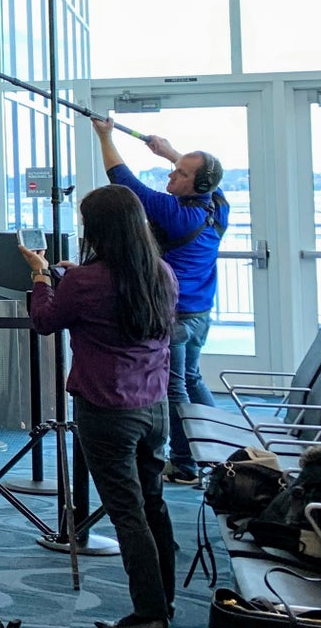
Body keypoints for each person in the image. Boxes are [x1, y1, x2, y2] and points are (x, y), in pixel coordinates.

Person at [23, 185, 180, 628]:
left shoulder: (87, 282)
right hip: (153, 406)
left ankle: (149, 613)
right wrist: (70, 277)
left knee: (126, 512)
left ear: (97, 229)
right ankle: (163, 599)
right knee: (152, 504)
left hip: (106, 409)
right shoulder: (161, 273)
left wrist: (40, 277)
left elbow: (45, 321)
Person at [94, 119, 230, 483]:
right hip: (200, 313)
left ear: (197, 184)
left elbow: (125, 183)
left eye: (180, 173)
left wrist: (105, 136)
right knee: (191, 379)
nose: (171, 176)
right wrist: (169, 151)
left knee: (175, 389)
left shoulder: (177, 214)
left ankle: (186, 464)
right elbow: (203, 177)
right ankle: (223, 454)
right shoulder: (217, 206)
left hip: (178, 317)